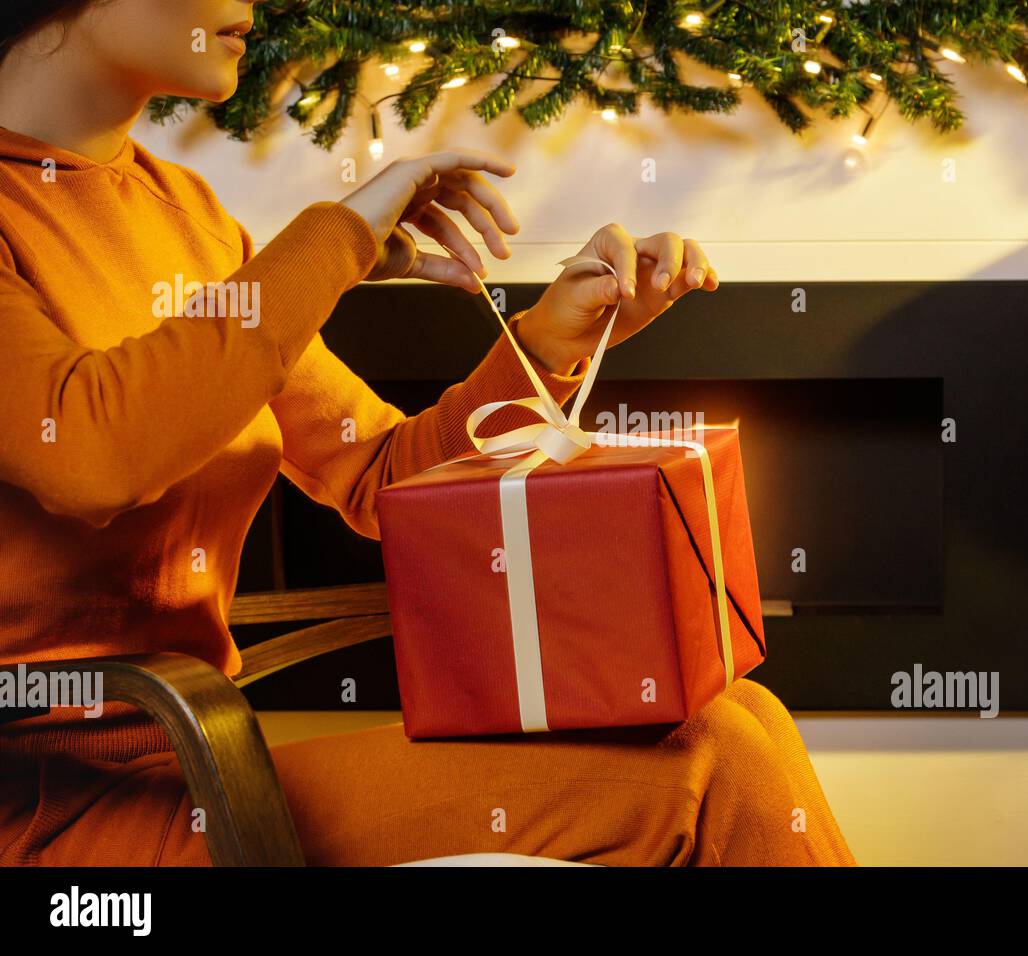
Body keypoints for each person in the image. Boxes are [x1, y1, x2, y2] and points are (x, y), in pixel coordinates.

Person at [0, 0, 856, 866]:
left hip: (202, 769)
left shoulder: (182, 212)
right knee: (713, 766)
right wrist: (339, 237)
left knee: (737, 716)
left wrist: (548, 340)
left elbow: (382, 474)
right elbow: (91, 456)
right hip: (51, 816)